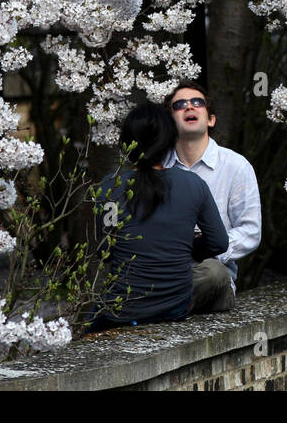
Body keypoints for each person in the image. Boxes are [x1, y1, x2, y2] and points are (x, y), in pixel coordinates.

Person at [86, 103, 229, 333]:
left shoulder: (109, 188)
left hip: (122, 309)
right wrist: (183, 247)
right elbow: (219, 242)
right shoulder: (193, 185)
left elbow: (106, 250)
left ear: (125, 143)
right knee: (217, 273)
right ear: (171, 141)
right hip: (175, 307)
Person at [162, 80, 262, 312]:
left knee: (213, 273)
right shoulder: (158, 167)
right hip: (165, 270)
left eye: (198, 102)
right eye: (180, 105)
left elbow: (251, 231)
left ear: (211, 119)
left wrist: (209, 248)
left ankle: (155, 306)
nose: (189, 107)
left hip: (210, 279)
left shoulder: (236, 166)